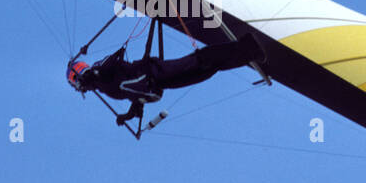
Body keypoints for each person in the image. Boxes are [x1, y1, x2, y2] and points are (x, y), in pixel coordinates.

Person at [66, 34, 266, 125]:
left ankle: (247, 45)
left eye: (76, 83)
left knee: (199, 61)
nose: (79, 88)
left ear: (78, 76)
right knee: (205, 72)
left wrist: (93, 74)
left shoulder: (100, 71)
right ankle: (248, 55)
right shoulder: (105, 88)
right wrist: (127, 115)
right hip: (160, 84)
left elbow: (112, 64)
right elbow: (135, 95)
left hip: (154, 72)